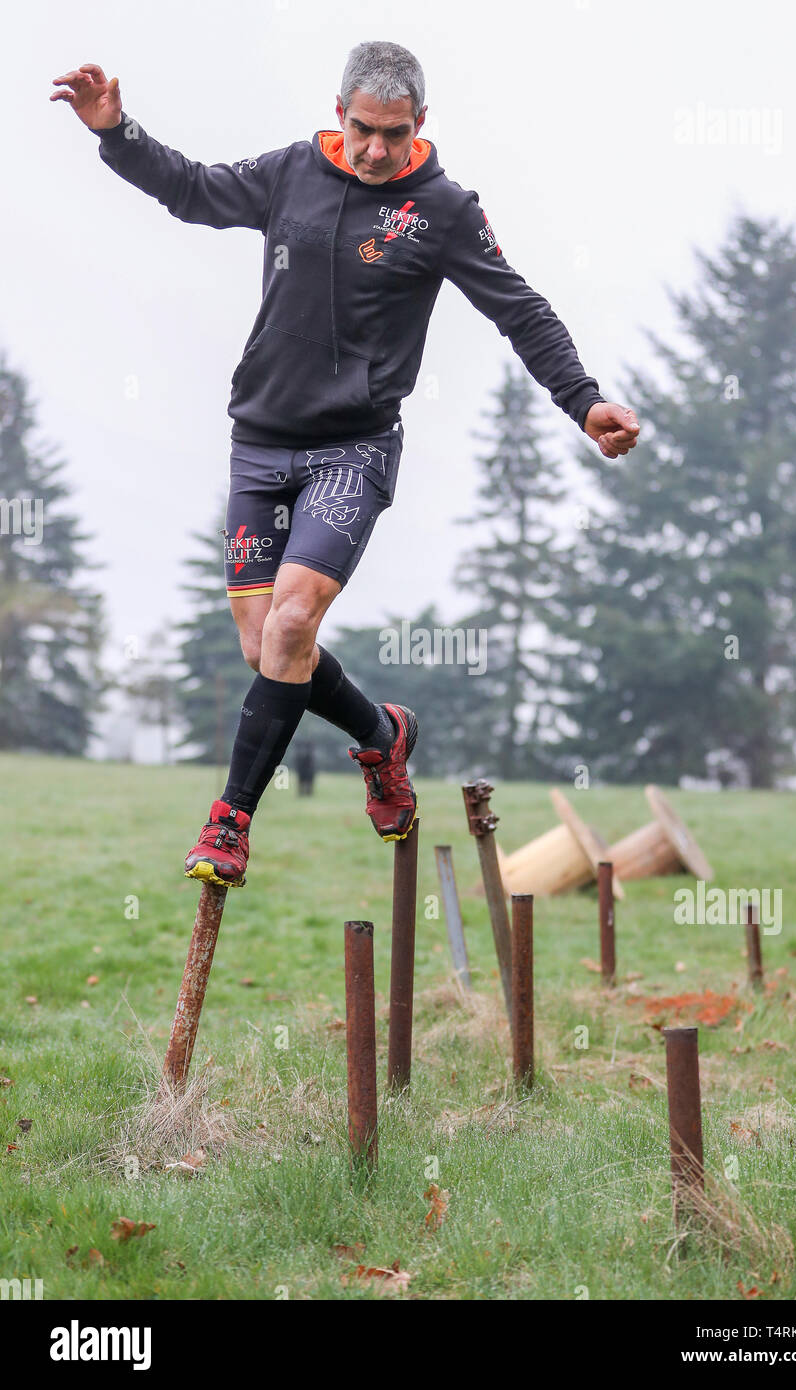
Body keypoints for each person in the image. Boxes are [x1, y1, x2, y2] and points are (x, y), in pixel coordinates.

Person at [51, 41, 639, 889]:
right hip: (258, 442)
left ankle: (229, 823)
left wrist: (584, 402)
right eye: (362, 129)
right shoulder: (290, 171)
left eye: (392, 135)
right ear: (340, 115)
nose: (374, 149)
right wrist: (115, 130)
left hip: (353, 448)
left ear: (420, 127)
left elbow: (522, 311)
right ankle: (381, 734)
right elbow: (191, 190)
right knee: (267, 649)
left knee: (293, 624)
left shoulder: (442, 210)